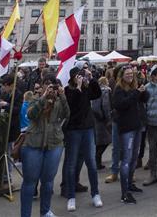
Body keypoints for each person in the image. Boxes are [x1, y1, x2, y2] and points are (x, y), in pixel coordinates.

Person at [19, 79, 69, 217]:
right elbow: (30, 115)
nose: (51, 89)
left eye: (53, 86)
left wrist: (63, 96)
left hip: (54, 143)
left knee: (48, 181)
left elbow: (67, 114)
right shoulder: (35, 98)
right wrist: (43, 98)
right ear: (42, 87)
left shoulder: (59, 100)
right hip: (34, 143)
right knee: (30, 182)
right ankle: (25, 214)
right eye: (47, 85)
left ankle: (45, 211)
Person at [62, 68, 103, 212]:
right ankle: (71, 196)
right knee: (71, 164)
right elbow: (73, 107)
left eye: (82, 75)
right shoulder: (68, 90)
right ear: (73, 77)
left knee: (91, 163)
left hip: (88, 129)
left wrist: (91, 79)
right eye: (78, 76)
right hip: (74, 130)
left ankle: (95, 193)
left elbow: (97, 93)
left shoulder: (86, 89)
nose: (81, 78)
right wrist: (78, 88)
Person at [111, 65, 149, 204]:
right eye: (127, 74)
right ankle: (124, 192)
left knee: (134, 157)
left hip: (137, 125)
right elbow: (120, 105)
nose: (130, 76)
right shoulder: (119, 89)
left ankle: (129, 184)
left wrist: (143, 92)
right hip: (127, 128)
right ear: (122, 76)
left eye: (131, 74)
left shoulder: (135, 86)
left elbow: (144, 100)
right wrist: (136, 93)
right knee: (126, 159)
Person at [91, 76, 112, 169]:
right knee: (106, 140)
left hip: (96, 118)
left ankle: (97, 161)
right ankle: (97, 161)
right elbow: (106, 105)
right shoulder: (106, 91)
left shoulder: (95, 91)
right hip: (102, 119)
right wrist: (108, 118)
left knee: (99, 142)